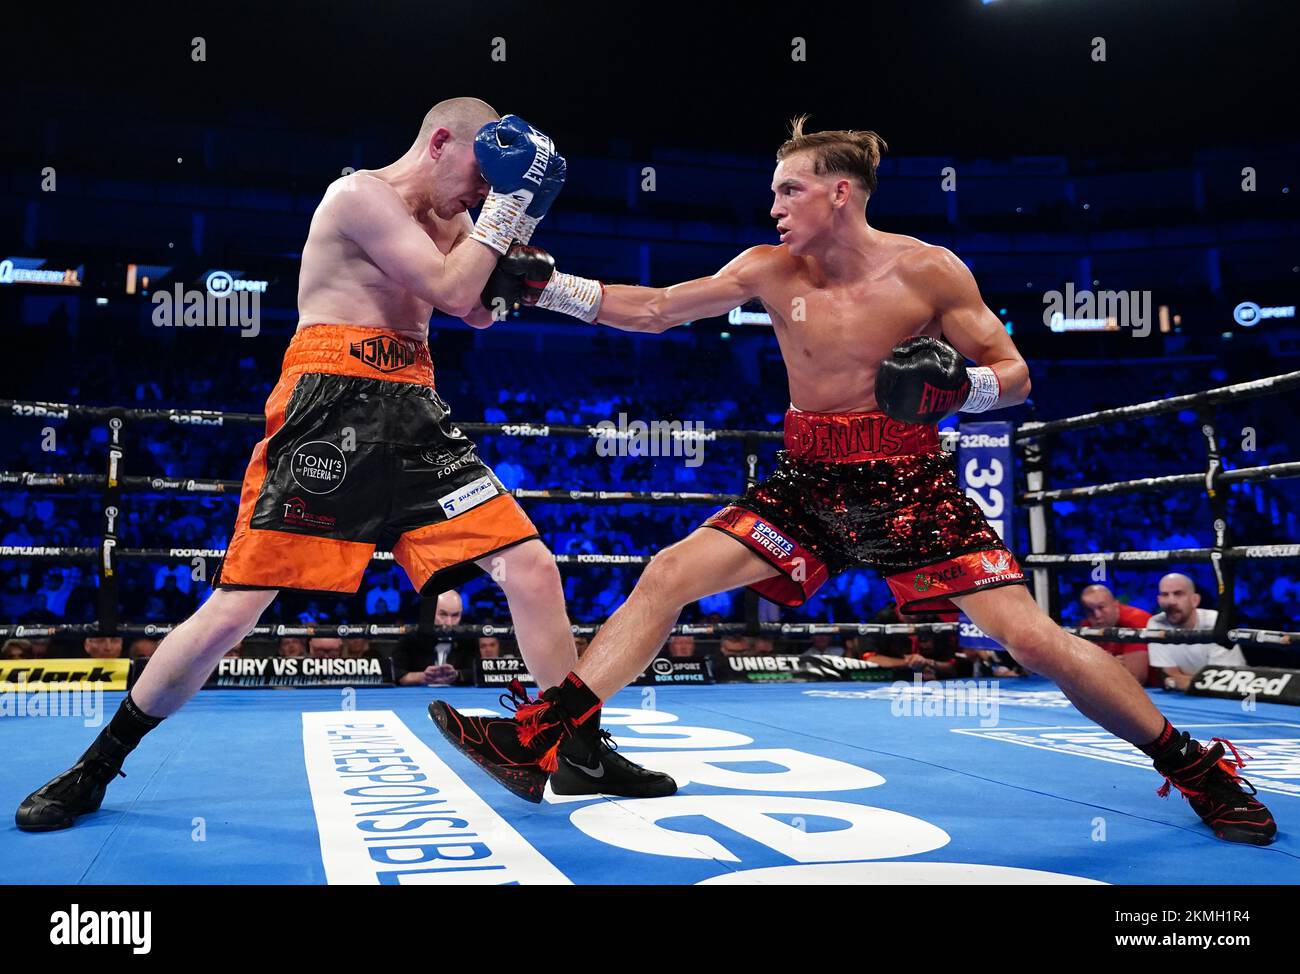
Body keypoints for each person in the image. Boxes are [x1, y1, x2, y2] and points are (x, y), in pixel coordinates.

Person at [430, 117, 1275, 844]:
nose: (772, 207)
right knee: (669, 575)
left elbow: (1015, 375)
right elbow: (657, 308)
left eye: (788, 191)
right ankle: (540, 739)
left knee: (1029, 638)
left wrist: (961, 389)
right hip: (806, 480)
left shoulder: (929, 271)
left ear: (841, 192)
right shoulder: (766, 266)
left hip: (911, 483)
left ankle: (1197, 768)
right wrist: (547, 288)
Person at [16, 98, 672, 833]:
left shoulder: (457, 219)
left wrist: (522, 222)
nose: (484, 194)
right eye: (484, 178)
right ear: (441, 142)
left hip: (416, 411)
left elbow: (478, 312)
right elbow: (457, 289)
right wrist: (508, 211)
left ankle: (575, 744)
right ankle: (95, 766)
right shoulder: (359, 194)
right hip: (330, 410)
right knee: (236, 609)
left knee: (532, 568)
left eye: (498, 187)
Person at [1147, 573, 1247, 691]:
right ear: (1158, 600)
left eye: (1178, 594)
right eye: (1165, 595)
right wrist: (1177, 681)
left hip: (1234, 694)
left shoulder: (1217, 623)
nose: (1171, 601)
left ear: (1195, 600)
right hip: (1185, 695)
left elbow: (1221, 681)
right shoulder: (1155, 623)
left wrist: (1178, 681)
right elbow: (1170, 675)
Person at [1079, 584, 1158, 686]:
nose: (1097, 615)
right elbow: (1077, 671)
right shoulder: (1086, 626)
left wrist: (1099, 662)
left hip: (1154, 692)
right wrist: (1112, 663)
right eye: (1090, 610)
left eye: (1101, 607)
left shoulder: (1137, 621)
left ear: (1115, 605)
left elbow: (1135, 677)